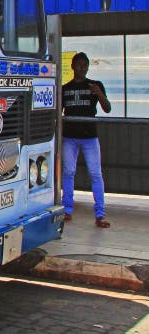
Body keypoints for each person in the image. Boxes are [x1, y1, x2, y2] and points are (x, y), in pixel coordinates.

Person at [61, 52, 112, 228]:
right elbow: (58, 112)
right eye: (79, 65)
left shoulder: (95, 85)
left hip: (90, 137)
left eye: (85, 65)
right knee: (68, 172)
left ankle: (100, 213)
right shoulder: (65, 89)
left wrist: (99, 94)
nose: (82, 68)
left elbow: (107, 108)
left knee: (96, 174)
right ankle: (67, 209)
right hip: (69, 137)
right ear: (73, 66)